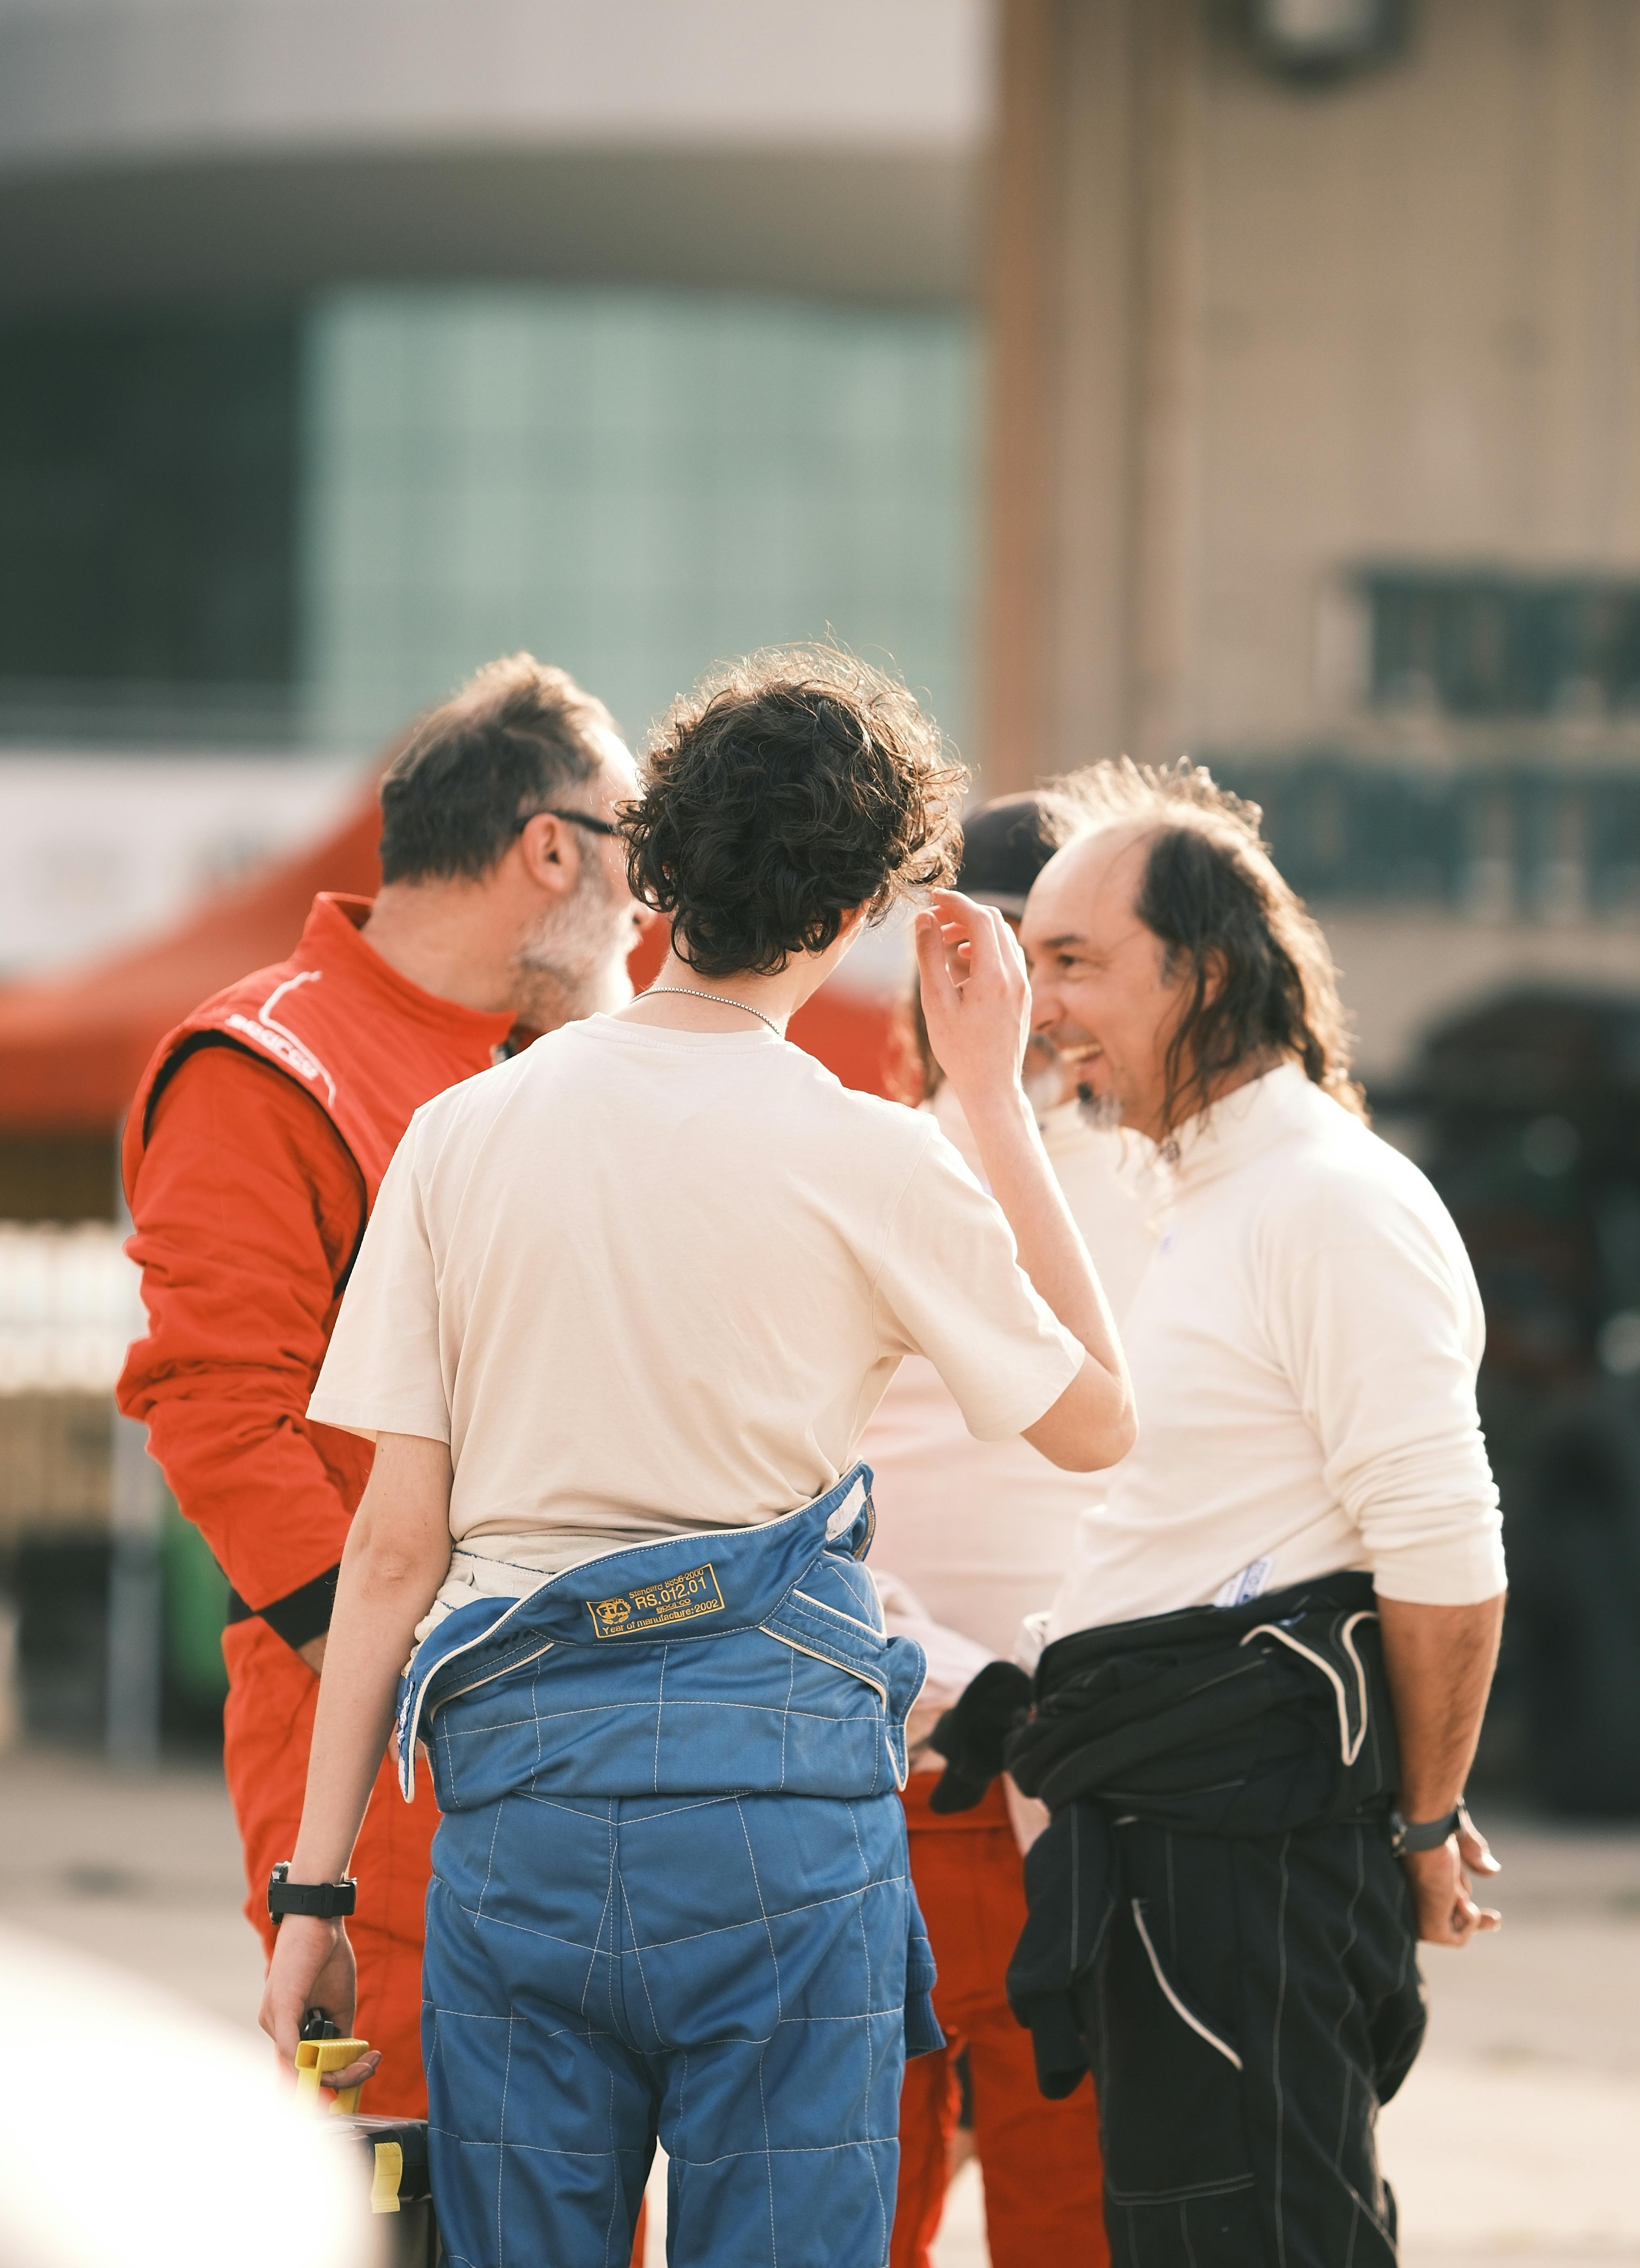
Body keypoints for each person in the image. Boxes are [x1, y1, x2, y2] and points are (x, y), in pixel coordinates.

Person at [257, 650, 1135, 2268]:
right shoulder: (876, 1157)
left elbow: (389, 1550)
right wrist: (994, 1105)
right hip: (784, 1818)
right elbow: (1097, 1424)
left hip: (522, 1810)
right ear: (854, 906)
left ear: (654, 869)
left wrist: (315, 1901)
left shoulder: (464, 1134)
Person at [934, 757, 1507, 2268]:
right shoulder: (1197, 1195)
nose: (1042, 1005)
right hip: (1179, 1847)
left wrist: (1425, 1818)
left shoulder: (1328, 1201)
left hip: (1250, 1857)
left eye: (1073, 962)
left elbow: (1446, 1550)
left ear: (1203, 969)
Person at [118, 653, 644, 2117]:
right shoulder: (268, 1063)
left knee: (577, 2192)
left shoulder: (554, 1066)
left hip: (574, 1739)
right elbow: (219, 1417)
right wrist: (409, 1688)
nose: (650, 905)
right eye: (641, 852)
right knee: (428, 2181)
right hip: (391, 1767)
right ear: (554, 850)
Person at [862, 795, 1155, 2268]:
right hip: (924, 1780)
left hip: (1048, 1786)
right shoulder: (870, 1163)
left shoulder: (1174, 1179)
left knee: (998, 2220)